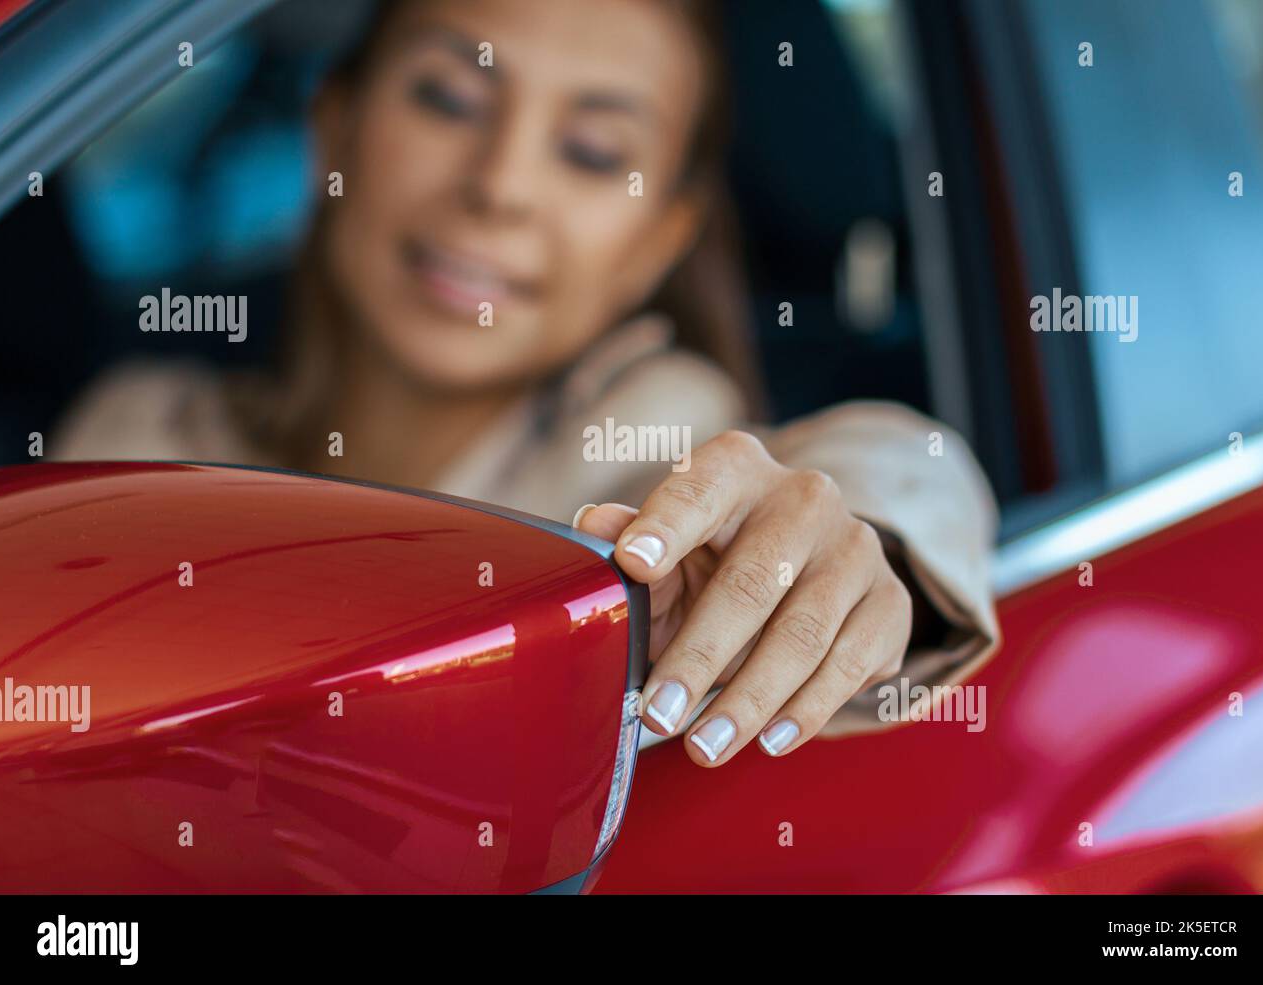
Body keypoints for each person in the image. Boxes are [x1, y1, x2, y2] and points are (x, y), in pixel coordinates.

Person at [53, 0, 999, 766]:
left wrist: (856, 540)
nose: (498, 184)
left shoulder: (657, 468)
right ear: (333, 128)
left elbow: (885, 467)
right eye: (449, 100)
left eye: (592, 152)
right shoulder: (146, 423)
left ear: (658, 241)